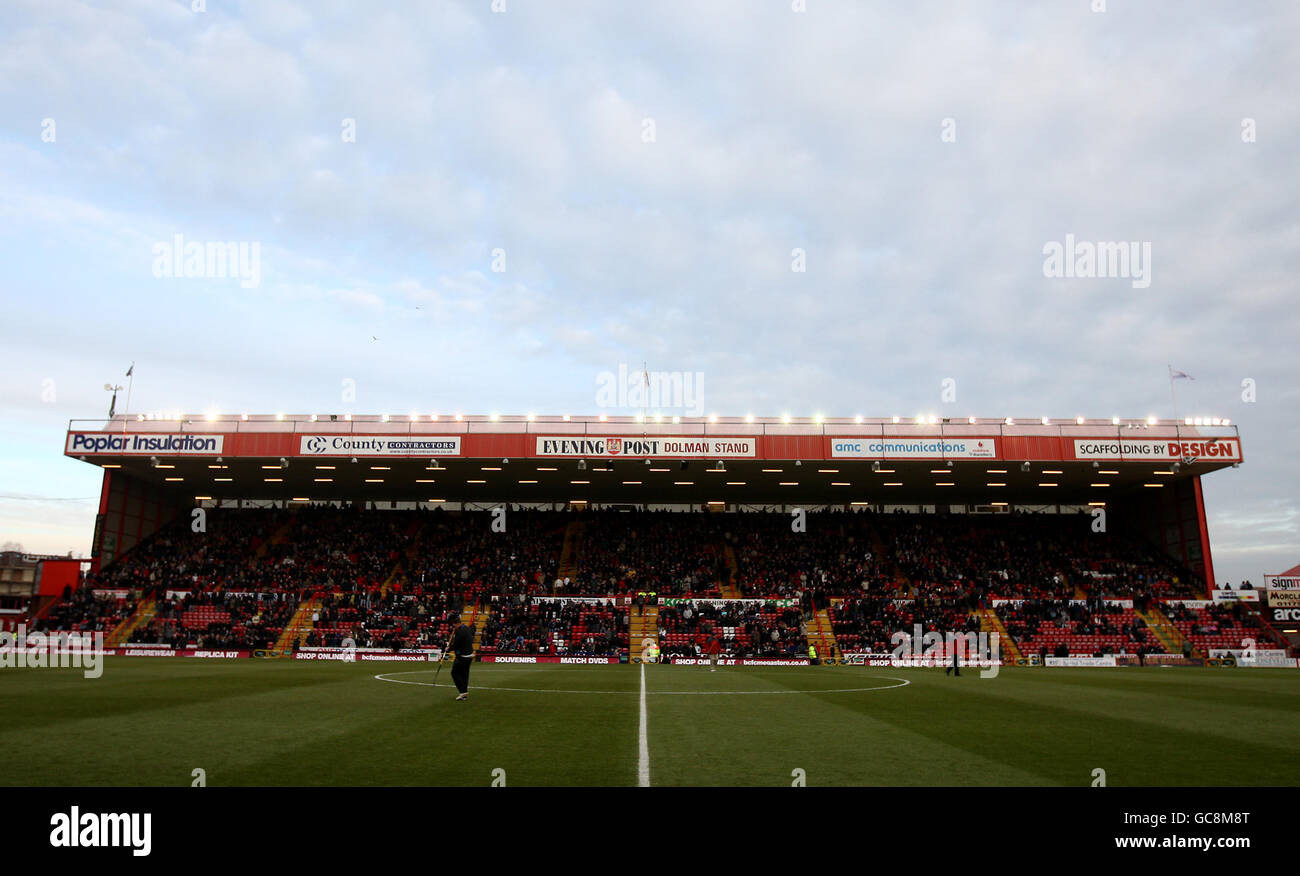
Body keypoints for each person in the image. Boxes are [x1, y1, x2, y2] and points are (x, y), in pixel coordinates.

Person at [446, 619, 476, 701]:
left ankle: (462, 692)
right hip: (470, 654)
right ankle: (464, 694)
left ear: (458, 623)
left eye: (454, 625)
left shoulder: (460, 632)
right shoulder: (466, 628)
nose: (453, 627)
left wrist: (448, 648)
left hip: (463, 656)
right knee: (464, 674)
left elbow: (457, 645)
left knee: (454, 672)